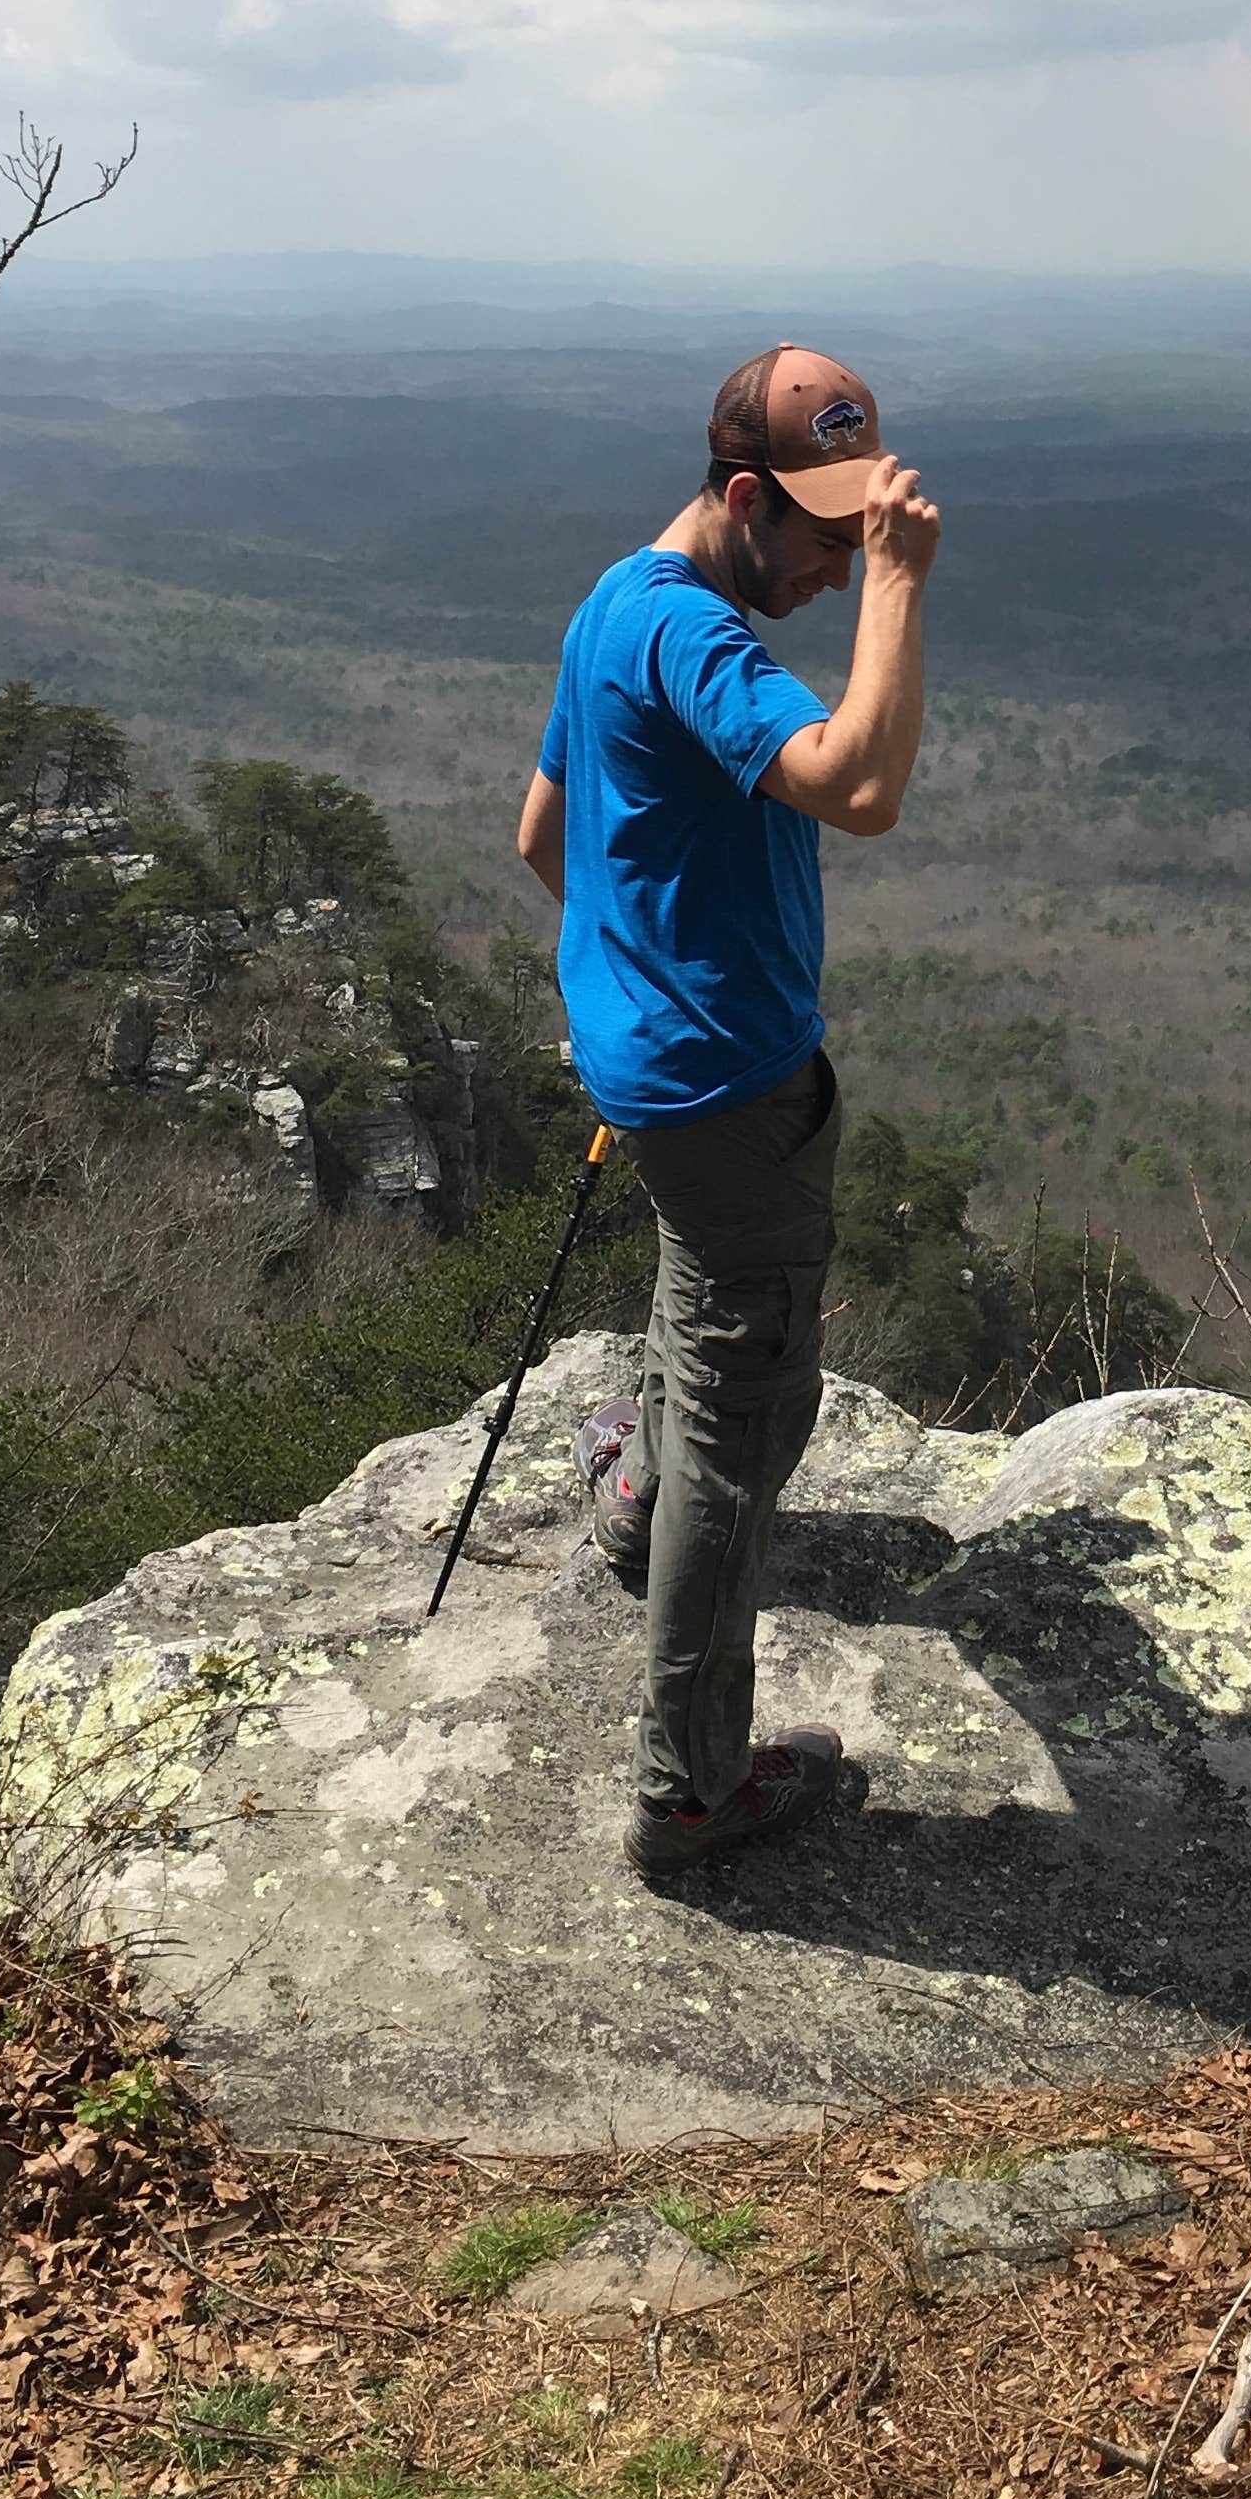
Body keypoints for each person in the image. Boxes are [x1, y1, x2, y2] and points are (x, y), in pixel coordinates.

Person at [516, 343, 942, 1882]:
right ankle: (689, 1789)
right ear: (748, 497)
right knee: (745, 1416)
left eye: (857, 540)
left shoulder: (607, 603)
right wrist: (901, 579)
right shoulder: (691, 630)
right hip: (730, 1092)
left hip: (653, 1076)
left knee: (698, 1311)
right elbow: (858, 783)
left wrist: (629, 990)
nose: (834, 570)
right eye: (823, 536)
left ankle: (636, 1499)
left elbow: (540, 835)